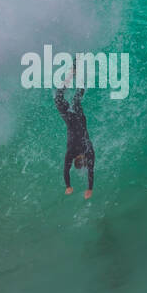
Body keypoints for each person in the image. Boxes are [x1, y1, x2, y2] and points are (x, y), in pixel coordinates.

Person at [55, 62, 94, 199]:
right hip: (73, 120)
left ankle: (75, 73)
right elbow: (66, 170)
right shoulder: (74, 153)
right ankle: (76, 74)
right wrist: (68, 186)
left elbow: (90, 171)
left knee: (74, 99)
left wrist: (89, 188)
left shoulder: (88, 152)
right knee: (63, 98)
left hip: (77, 120)